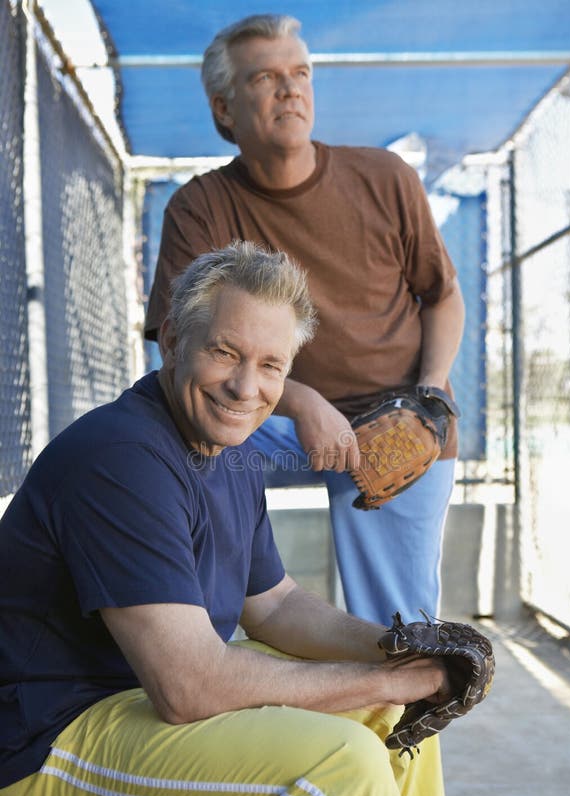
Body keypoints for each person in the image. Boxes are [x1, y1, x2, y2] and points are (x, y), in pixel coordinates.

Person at [0, 242, 455, 796]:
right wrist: (383, 674)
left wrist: (403, 654)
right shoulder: (122, 457)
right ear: (173, 342)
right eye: (225, 353)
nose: (247, 387)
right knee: (337, 769)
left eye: (271, 364)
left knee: (401, 719)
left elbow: (274, 606)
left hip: (139, 701)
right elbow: (189, 686)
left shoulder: (231, 452)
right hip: (51, 735)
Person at [145, 13, 466, 628]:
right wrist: (304, 402)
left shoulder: (386, 177)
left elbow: (443, 298)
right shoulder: (201, 204)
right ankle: (191, 637)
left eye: (300, 73)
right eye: (265, 77)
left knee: (397, 623)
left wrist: (429, 395)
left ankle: (404, 717)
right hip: (271, 418)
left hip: (398, 420)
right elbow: (177, 343)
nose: (291, 88)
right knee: (166, 427)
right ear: (224, 109)